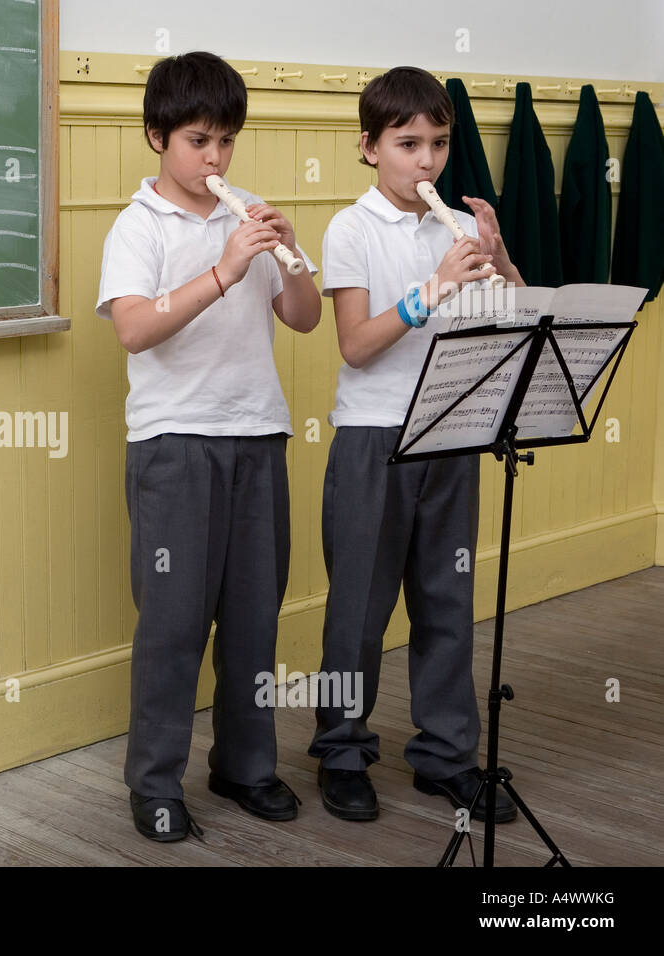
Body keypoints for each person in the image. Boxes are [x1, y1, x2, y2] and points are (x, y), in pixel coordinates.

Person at [96, 51, 321, 842]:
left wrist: (287, 256)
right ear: (157, 136)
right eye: (198, 141)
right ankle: (154, 782)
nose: (215, 160)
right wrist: (224, 271)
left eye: (226, 141)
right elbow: (134, 326)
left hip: (257, 433)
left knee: (255, 620)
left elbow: (305, 317)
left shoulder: (246, 209)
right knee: (172, 626)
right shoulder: (135, 226)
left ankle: (245, 766)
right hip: (174, 445)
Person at [310, 66, 524, 823]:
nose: (425, 161)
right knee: (359, 610)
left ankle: (445, 755)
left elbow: (517, 318)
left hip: (454, 432)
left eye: (436, 143)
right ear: (369, 148)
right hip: (375, 436)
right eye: (407, 144)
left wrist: (495, 257)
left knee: (446, 603)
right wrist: (431, 288)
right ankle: (341, 750)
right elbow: (358, 345)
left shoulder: (457, 227)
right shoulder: (350, 228)